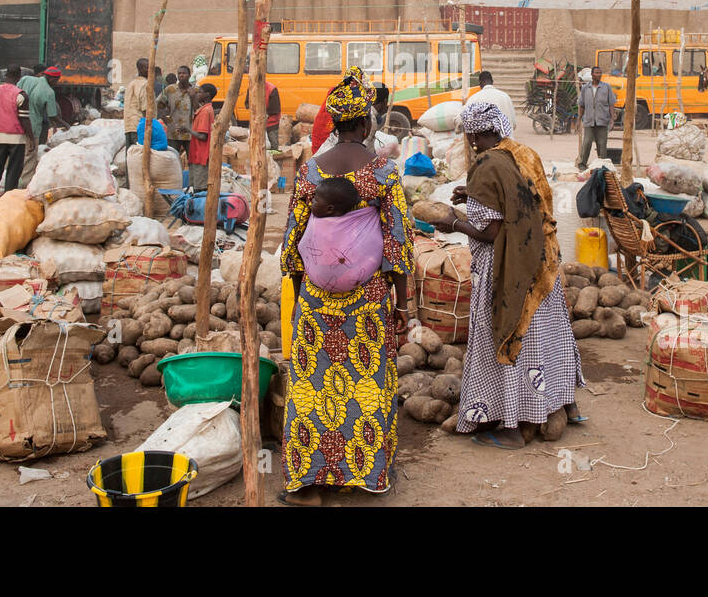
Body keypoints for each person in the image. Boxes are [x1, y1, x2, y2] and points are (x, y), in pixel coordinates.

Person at [280, 66, 412, 503]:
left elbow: (293, 241)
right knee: (368, 383)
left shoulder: (310, 172)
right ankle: (367, 475)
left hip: (316, 300)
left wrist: (301, 294)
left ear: (336, 123)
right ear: (363, 122)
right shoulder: (384, 174)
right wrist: (402, 305)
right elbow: (397, 246)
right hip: (368, 299)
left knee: (311, 387)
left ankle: (307, 484)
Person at [436, 101, 583, 448]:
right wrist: (471, 196)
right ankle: (563, 403)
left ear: (473, 134)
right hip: (540, 261)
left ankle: (512, 426)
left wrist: (453, 222)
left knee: (507, 334)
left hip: (507, 268)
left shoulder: (486, 164)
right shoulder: (523, 152)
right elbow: (520, 202)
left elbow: (490, 232)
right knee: (548, 332)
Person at [0, 65, 34, 206]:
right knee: (13, 170)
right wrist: (31, 138)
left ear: (5, 75)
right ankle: (8, 201)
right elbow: (24, 119)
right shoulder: (21, 94)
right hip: (16, 137)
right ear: (19, 76)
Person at [17, 65, 68, 183]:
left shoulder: (26, 79)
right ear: (51, 79)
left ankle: (12, 180)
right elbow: (52, 115)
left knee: (17, 154)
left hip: (16, 124)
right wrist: (65, 123)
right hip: (32, 127)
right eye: (57, 80)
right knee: (29, 156)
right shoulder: (49, 92)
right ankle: (23, 184)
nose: (57, 83)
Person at [576, 65, 617, 169]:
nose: (598, 75)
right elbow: (581, 105)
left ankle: (602, 165)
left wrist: (612, 120)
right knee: (587, 142)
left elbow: (611, 104)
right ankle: (582, 164)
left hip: (602, 121)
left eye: (600, 73)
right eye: (596, 73)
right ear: (592, 74)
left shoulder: (606, 87)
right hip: (589, 121)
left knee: (602, 145)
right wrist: (578, 120)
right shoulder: (586, 88)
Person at [157, 65, 197, 154]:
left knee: (192, 159)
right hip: (173, 132)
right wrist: (165, 119)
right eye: (179, 73)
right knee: (172, 158)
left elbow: (200, 110)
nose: (181, 75)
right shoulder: (170, 90)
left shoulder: (195, 90)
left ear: (189, 75)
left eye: (184, 73)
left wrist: (193, 96)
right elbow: (159, 105)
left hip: (191, 132)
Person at [188, 83, 217, 190]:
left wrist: (187, 130)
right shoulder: (205, 109)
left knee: (200, 187)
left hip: (201, 154)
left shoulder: (205, 111)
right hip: (198, 153)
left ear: (207, 95)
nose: (198, 94)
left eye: (200, 92)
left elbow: (202, 136)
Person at [245, 78, 282, 151]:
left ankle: (273, 160)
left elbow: (275, 109)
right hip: (256, 121)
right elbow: (247, 103)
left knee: (273, 146)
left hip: (271, 122)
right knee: (256, 146)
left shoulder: (272, 89)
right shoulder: (251, 87)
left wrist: (263, 115)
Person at [123, 58, 151, 147]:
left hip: (129, 126)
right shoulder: (145, 84)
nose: (150, 70)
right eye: (147, 68)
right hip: (140, 127)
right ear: (140, 69)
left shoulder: (132, 83)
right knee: (139, 157)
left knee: (131, 156)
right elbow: (146, 109)